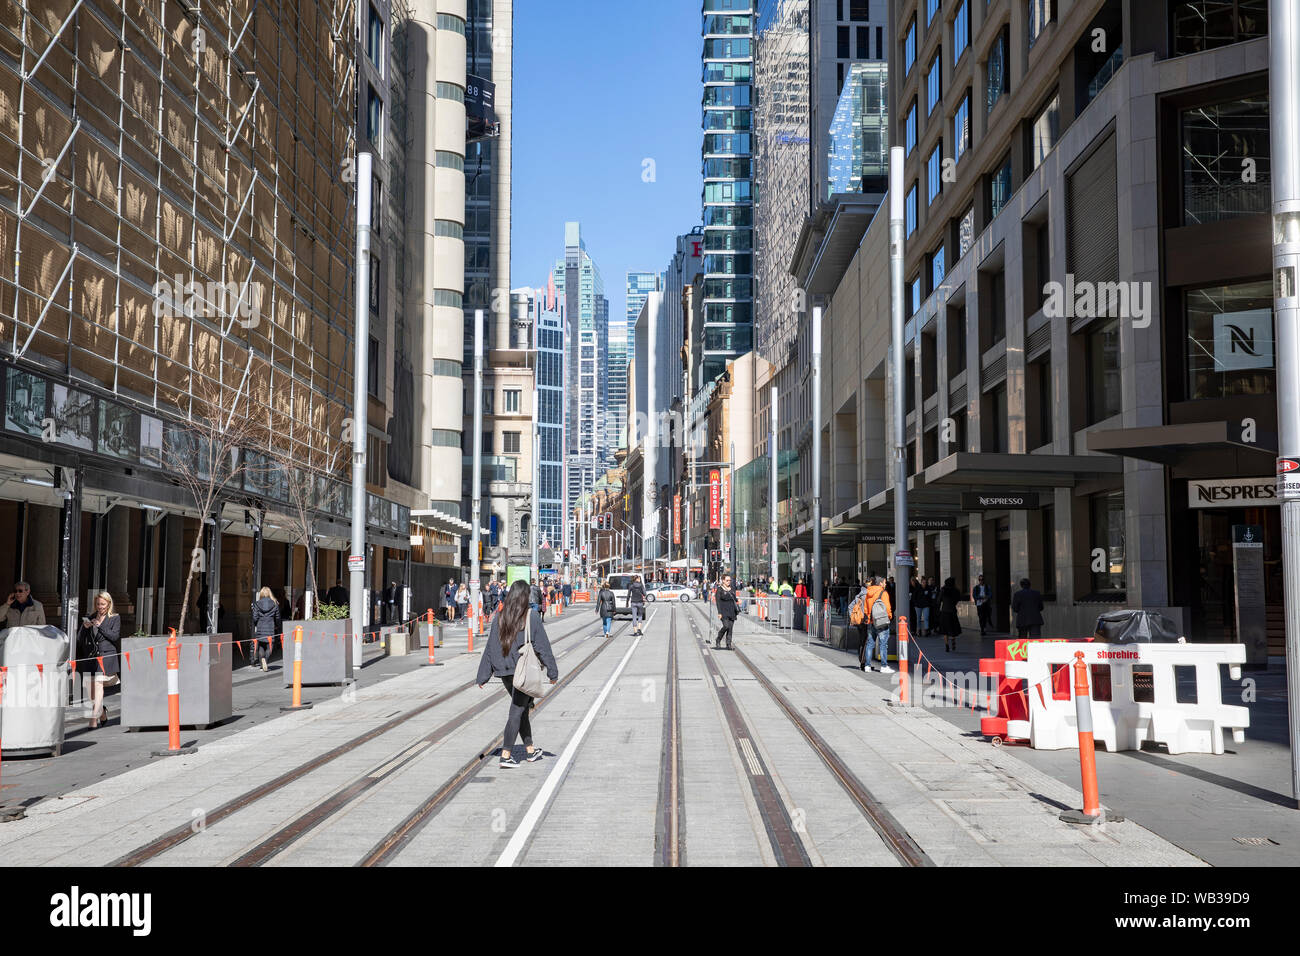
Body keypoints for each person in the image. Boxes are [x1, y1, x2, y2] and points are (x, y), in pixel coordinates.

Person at [476, 580, 557, 768]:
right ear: (525, 596)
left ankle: (530, 750)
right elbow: (543, 647)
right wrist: (552, 671)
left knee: (521, 709)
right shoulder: (531, 616)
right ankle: (506, 755)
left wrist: (483, 675)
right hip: (522, 670)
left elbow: (491, 647)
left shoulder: (500, 616)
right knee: (517, 710)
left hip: (505, 672)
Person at [79, 591, 121, 729]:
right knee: (91, 692)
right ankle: (102, 712)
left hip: (106, 656)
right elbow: (80, 638)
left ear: (109, 604)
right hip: (92, 657)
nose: (100, 607)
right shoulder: (91, 617)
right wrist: (85, 628)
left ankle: (93, 718)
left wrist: (100, 625)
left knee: (98, 684)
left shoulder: (115, 617)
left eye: (103, 604)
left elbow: (114, 637)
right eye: (97, 604)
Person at [856, 575, 893, 674]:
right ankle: (884, 666)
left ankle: (867, 666)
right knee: (883, 644)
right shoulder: (883, 592)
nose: (885, 584)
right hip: (881, 622)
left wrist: (868, 618)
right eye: (884, 582)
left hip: (871, 621)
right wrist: (889, 617)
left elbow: (866, 608)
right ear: (880, 583)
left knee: (870, 644)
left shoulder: (868, 592)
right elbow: (887, 607)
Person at [250, 585, 281, 671]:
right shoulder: (275, 603)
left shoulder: (257, 604)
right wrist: (277, 625)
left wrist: (257, 624)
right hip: (270, 627)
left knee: (261, 646)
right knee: (269, 646)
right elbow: (278, 617)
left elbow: (255, 617)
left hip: (260, 627)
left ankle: (261, 663)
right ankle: (265, 660)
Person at [937, 577, 964, 652]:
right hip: (952, 611)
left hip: (944, 611)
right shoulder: (956, 591)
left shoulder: (943, 590)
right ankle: (953, 640)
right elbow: (958, 599)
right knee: (952, 628)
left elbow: (938, 600)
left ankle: (946, 645)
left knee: (944, 629)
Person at [715, 573, 739, 649]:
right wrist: (719, 612)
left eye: (729, 580)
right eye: (727, 580)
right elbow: (718, 602)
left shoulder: (732, 588)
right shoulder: (719, 589)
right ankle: (718, 639)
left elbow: (734, 598)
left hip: (732, 611)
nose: (729, 582)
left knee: (730, 628)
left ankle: (728, 644)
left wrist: (738, 600)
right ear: (723, 581)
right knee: (726, 626)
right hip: (723, 611)